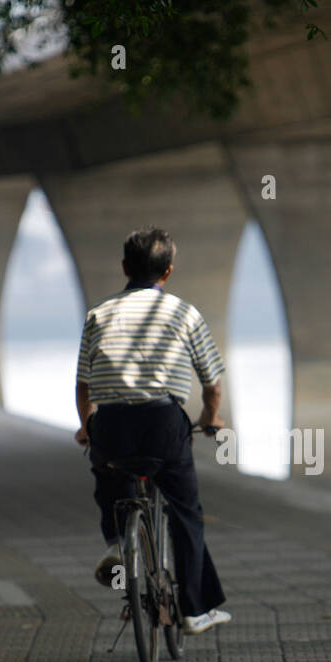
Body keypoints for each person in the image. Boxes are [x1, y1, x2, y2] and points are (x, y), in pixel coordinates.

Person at [74, 226, 231, 635]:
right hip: (164, 424)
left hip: (111, 425)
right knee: (185, 513)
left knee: (109, 472)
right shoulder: (185, 313)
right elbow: (212, 383)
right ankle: (195, 611)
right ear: (168, 272)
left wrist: (85, 427)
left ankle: (116, 545)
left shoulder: (98, 314)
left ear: (125, 267)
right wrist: (210, 418)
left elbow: (83, 386)